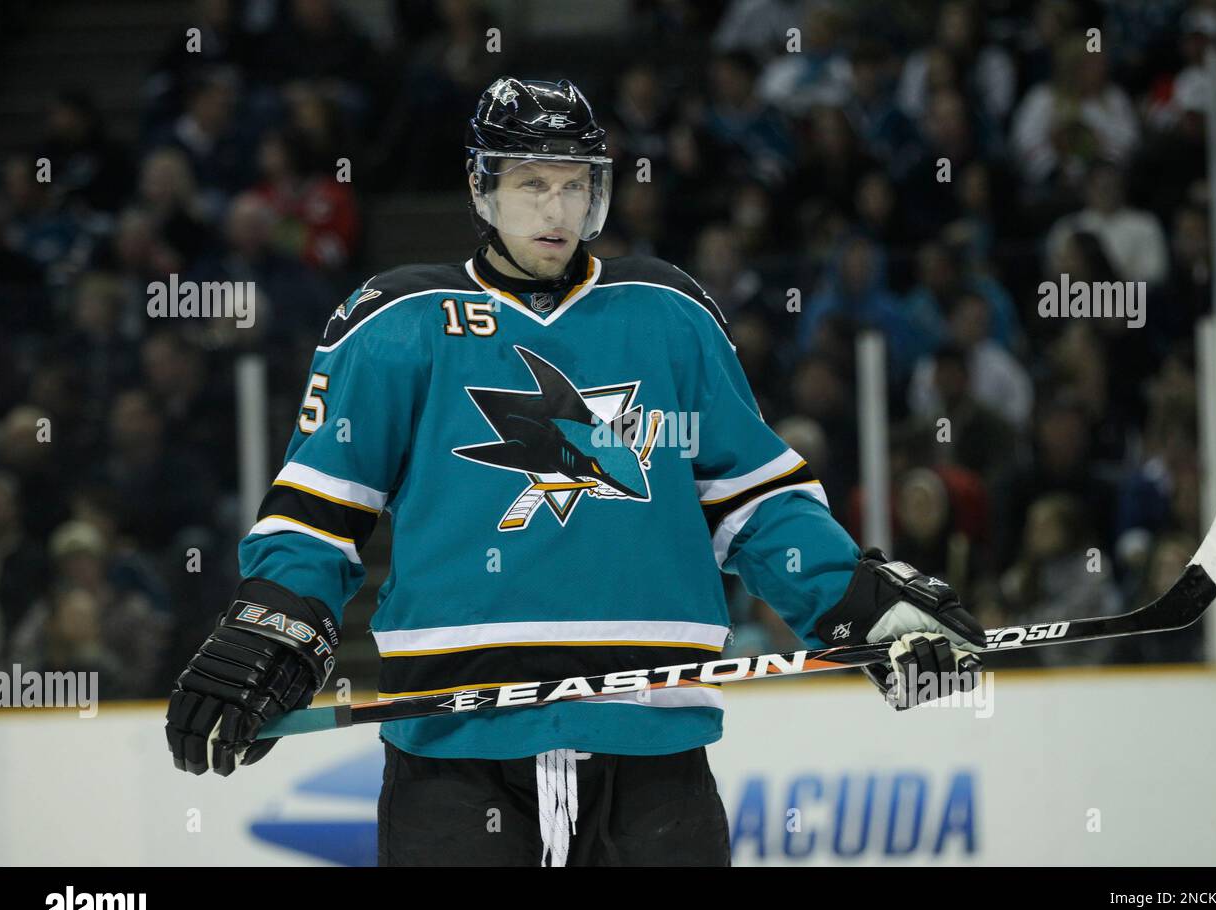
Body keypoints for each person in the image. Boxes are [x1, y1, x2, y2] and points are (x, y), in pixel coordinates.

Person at [165, 78, 989, 867]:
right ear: (482, 189)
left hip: (652, 749)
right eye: (531, 185)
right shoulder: (396, 322)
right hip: (455, 754)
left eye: (574, 185)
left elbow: (754, 500)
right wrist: (272, 626)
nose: (557, 212)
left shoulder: (668, 313)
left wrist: (855, 604)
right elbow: (320, 511)